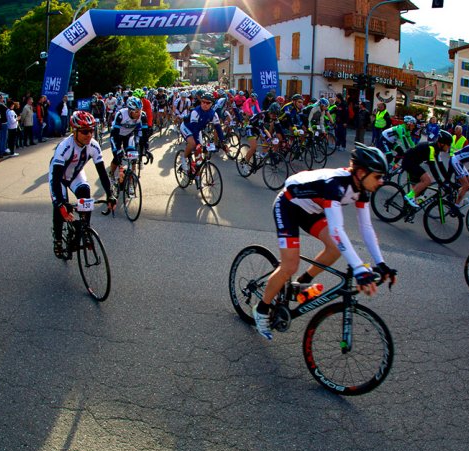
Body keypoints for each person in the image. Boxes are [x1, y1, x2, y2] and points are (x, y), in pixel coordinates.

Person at [252, 143, 397, 340]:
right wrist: (359, 268)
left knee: (335, 249)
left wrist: (381, 263)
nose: (381, 182)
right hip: (288, 205)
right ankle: (261, 310)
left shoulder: (362, 189)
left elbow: (366, 228)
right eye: (378, 176)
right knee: (289, 265)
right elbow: (337, 230)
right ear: (362, 172)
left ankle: (301, 284)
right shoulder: (335, 184)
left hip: (310, 210)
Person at [49, 111, 115, 256]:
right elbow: (55, 179)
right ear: (75, 131)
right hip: (59, 177)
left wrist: (110, 194)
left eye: (91, 130)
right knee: (60, 205)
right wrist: (60, 204)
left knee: (85, 191)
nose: (89, 135)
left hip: (75, 174)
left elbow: (102, 173)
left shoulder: (93, 145)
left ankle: (85, 228)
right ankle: (58, 238)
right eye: (85, 131)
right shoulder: (65, 147)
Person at [401, 129, 453, 208]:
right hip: (409, 162)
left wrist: (449, 181)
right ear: (442, 143)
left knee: (418, 190)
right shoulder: (431, 148)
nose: (449, 147)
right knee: (427, 180)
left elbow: (441, 167)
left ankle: (407, 209)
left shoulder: (437, 149)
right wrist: (441, 183)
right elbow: (433, 168)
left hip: (413, 162)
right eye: (448, 145)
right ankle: (409, 197)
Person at [179, 92, 226, 173]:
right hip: (187, 127)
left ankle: (196, 170)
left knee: (200, 155)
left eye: (208, 103)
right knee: (194, 144)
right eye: (203, 102)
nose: (205, 104)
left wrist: (223, 143)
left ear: (212, 104)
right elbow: (194, 129)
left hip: (197, 129)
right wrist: (198, 143)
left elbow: (218, 128)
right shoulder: (196, 112)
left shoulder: (213, 114)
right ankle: (183, 158)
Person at [108, 96, 147, 183]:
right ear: (130, 110)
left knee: (133, 156)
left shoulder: (142, 116)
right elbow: (115, 134)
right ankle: (111, 174)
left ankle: (131, 180)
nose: (139, 114)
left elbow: (144, 135)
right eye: (136, 111)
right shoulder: (121, 115)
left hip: (128, 135)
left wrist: (146, 149)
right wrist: (118, 150)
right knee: (117, 158)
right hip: (116, 135)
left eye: (140, 111)